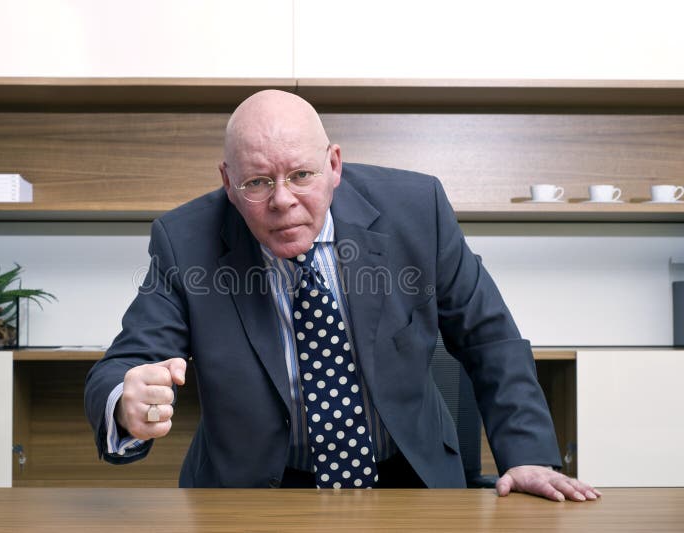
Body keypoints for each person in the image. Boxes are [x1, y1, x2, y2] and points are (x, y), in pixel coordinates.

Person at [85, 90, 600, 501]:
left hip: (407, 480)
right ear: (227, 181)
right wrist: (126, 403)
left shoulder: (416, 210)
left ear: (334, 164)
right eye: (257, 182)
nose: (282, 200)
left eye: (302, 175)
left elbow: (490, 338)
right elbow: (125, 363)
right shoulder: (186, 241)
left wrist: (527, 454)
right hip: (253, 492)